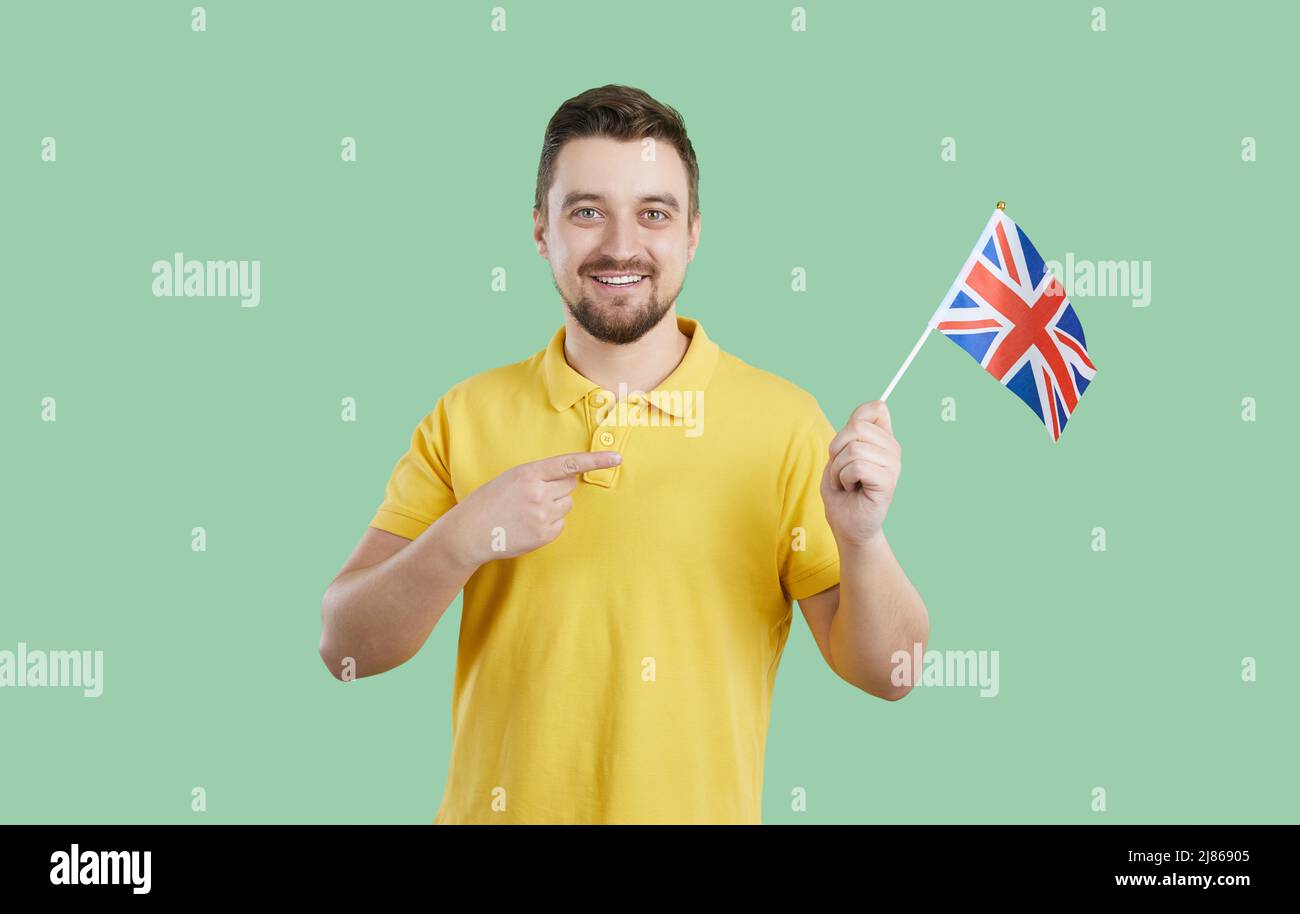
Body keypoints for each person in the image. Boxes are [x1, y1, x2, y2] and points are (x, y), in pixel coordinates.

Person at [319, 84, 929, 824]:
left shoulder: (785, 423)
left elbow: (891, 674)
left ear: (693, 233)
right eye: (586, 211)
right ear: (541, 231)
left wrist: (862, 540)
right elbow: (343, 645)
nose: (619, 245)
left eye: (653, 212)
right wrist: (464, 538)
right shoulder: (465, 415)